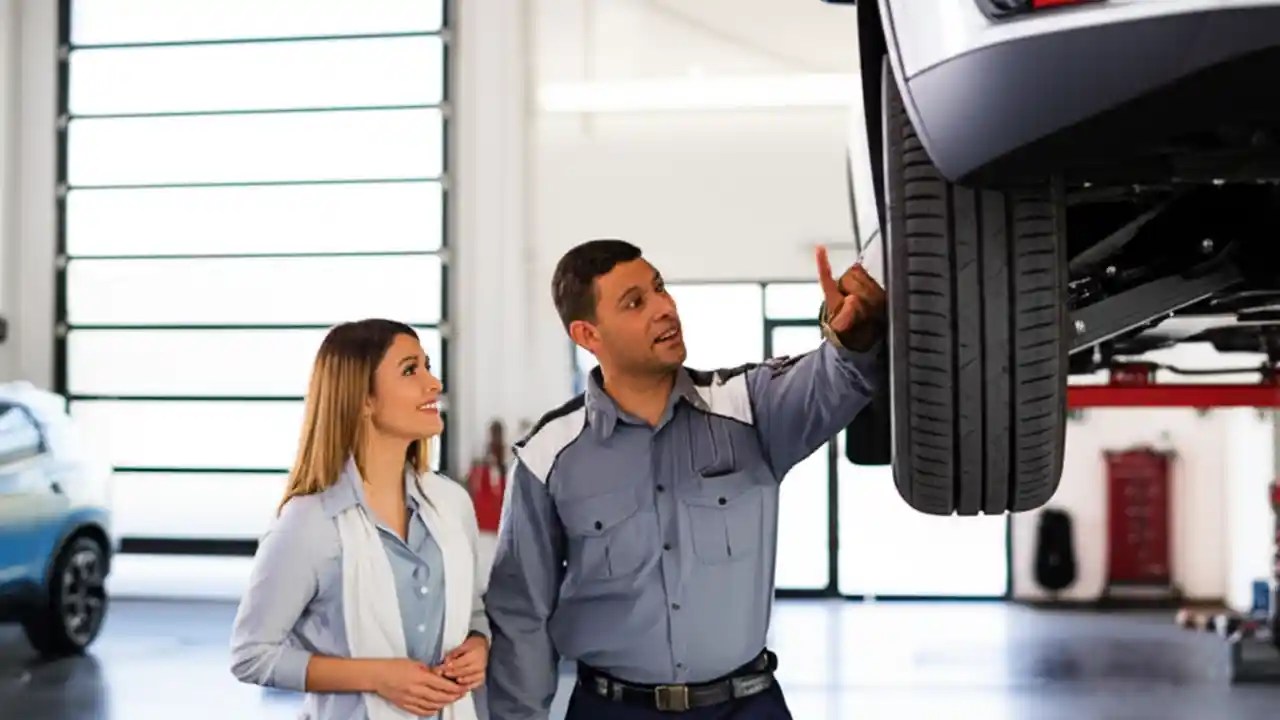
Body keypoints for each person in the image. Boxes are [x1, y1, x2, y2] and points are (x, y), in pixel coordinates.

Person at [484, 239, 886, 719]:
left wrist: (853, 337)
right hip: (611, 710)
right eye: (635, 302)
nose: (664, 308)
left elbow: (836, 381)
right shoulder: (548, 457)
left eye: (659, 288)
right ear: (588, 334)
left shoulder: (749, 408)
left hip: (746, 707)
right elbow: (522, 617)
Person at [230, 319, 491, 720]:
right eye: (410, 370)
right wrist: (377, 676)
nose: (433, 384)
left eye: (428, 366)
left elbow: (473, 614)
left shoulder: (452, 503)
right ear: (363, 399)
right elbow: (252, 654)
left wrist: (478, 646)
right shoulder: (310, 523)